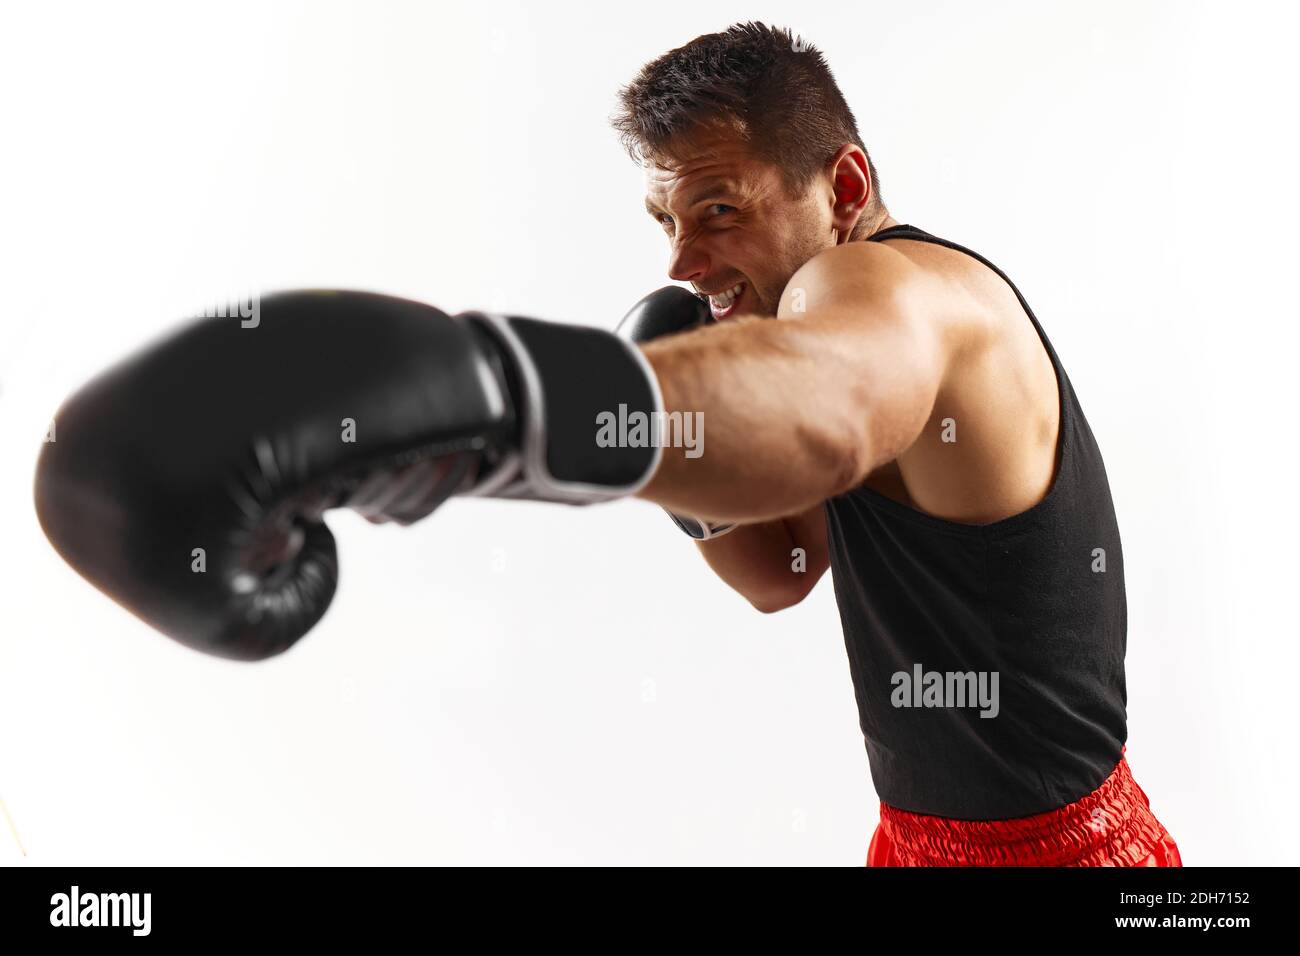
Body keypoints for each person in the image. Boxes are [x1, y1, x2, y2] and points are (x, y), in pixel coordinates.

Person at [33, 22, 1180, 867]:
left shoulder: (897, 291)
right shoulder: (809, 327)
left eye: (717, 208)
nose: (682, 260)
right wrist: (687, 475)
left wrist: (487, 406)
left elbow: (827, 406)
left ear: (841, 186)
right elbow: (783, 574)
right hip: (919, 840)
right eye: (667, 222)